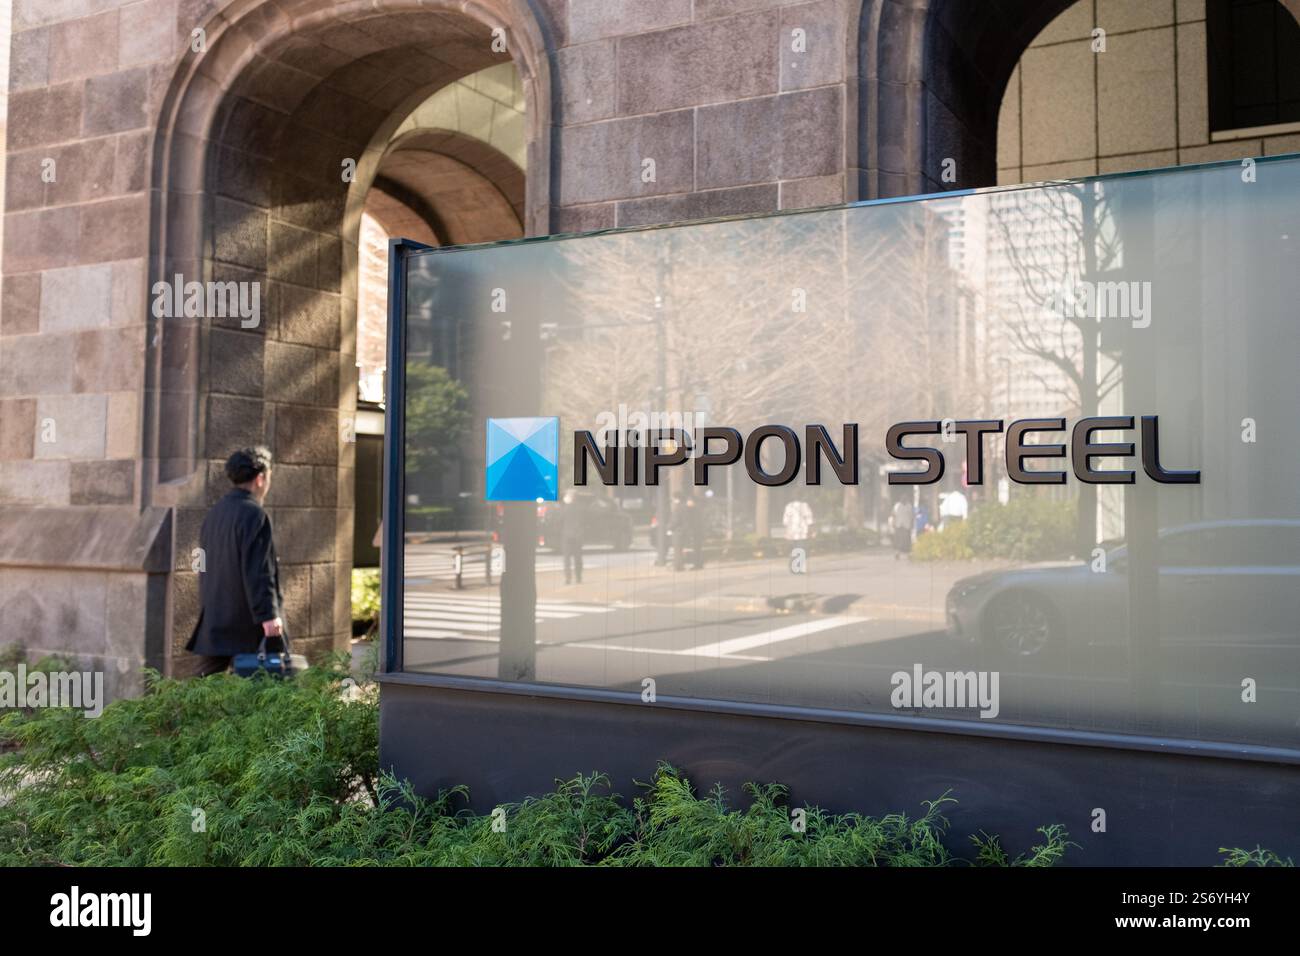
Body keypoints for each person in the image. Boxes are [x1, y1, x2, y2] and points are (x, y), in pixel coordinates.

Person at [185, 446, 285, 676]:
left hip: (216, 617)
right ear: (260, 478)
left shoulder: (215, 513)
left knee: (201, 689)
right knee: (267, 689)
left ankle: (179, 712)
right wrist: (269, 616)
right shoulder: (254, 515)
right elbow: (259, 571)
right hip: (248, 623)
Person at [557, 489, 586, 585]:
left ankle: (568, 578)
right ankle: (578, 577)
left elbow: (560, 521)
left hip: (566, 535)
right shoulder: (581, 508)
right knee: (578, 558)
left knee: (567, 558)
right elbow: (585, 522)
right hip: (578, 535)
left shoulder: (564, 508)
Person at [672, 494, 706, 570]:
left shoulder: (690, 509)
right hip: (695, 531)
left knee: (683, 549)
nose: (688, 503)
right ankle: (698, 564)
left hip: (692, 531)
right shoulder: (696, 508)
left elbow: (685, 521)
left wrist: (670, 528)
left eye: (689, 501)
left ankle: (682, 566)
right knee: (696, 548)